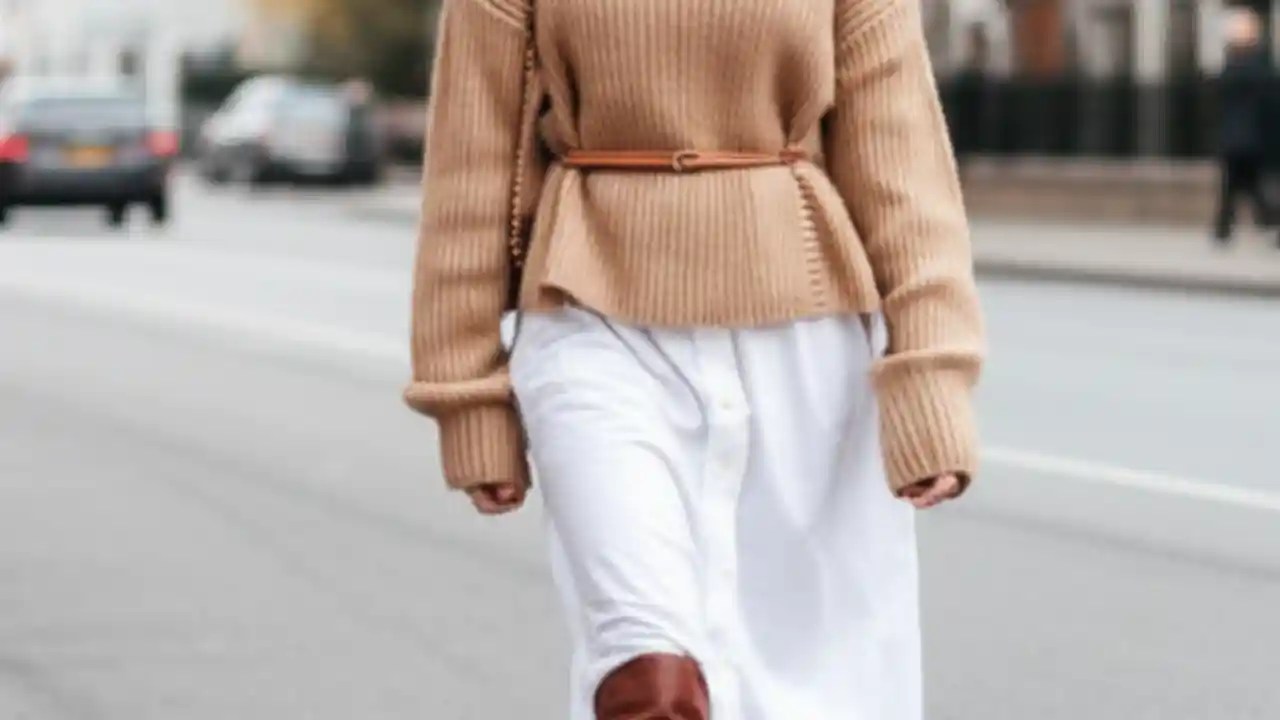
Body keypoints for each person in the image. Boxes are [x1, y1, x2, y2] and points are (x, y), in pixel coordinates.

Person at [405, 1, 984, 718]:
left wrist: (931, 375)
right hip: (592, 321)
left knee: (823, 691)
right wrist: (468, 393)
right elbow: (472, 168)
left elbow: (904, 172)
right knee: (645, 672)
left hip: (807, 350)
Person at [1213, 7, 1276, 246]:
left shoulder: (1232, 69)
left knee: (1240, 185)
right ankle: (1228, 227)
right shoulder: (1260, 68)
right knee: (1246, 185)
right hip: (1253, 138)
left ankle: (1225, 228)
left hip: (1237, 138)